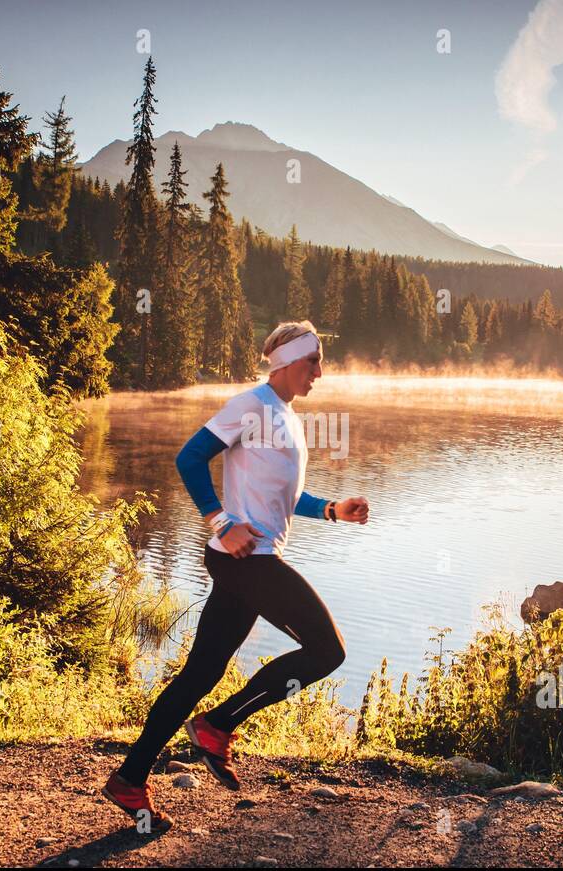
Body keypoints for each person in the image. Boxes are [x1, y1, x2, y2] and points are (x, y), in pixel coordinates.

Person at [101, 320, 369, 831]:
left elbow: (286, 501)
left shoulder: (285, 417)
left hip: (248, 559)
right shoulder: (252, 405)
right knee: (328, 650)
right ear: (288, 361)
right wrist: (221, 522)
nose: (320, 372)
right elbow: (190, 457)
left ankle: (130, 779)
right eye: (314, 362)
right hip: (247, 559)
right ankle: (218, 725)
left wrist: (334, 509)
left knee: (200, 673)